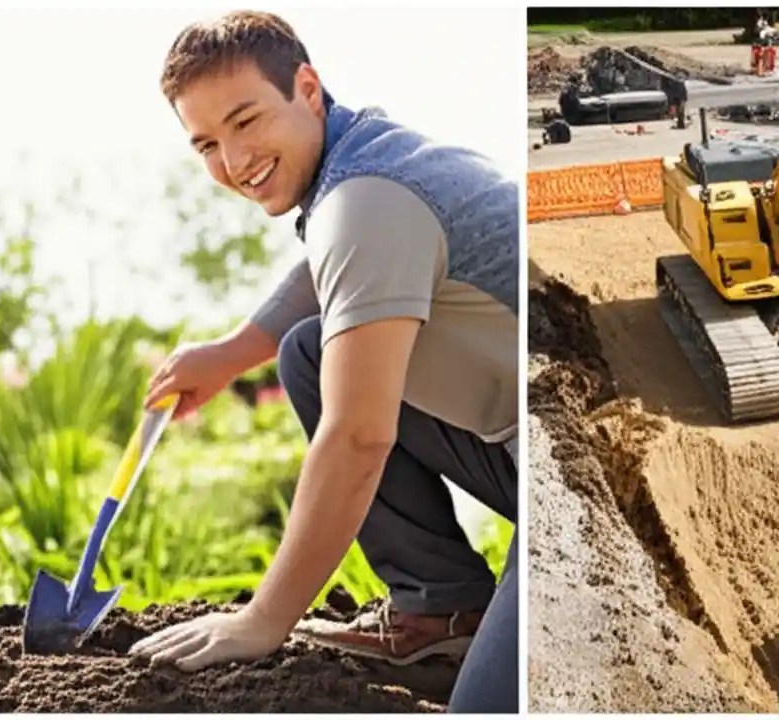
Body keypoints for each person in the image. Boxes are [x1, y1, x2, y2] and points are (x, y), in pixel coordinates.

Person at [125, 10, 519, 713]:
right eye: (207, 143)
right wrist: (230, 354)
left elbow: (360, 436)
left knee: (486, 707)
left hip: (577, 487)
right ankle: (441, 614)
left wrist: (263, 619)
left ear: (306, 88)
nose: (235, 162)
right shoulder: (367, 157)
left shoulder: (367, 202)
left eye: (246, 121)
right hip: (520, 444)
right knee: (307, 350)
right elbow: (328, 273)